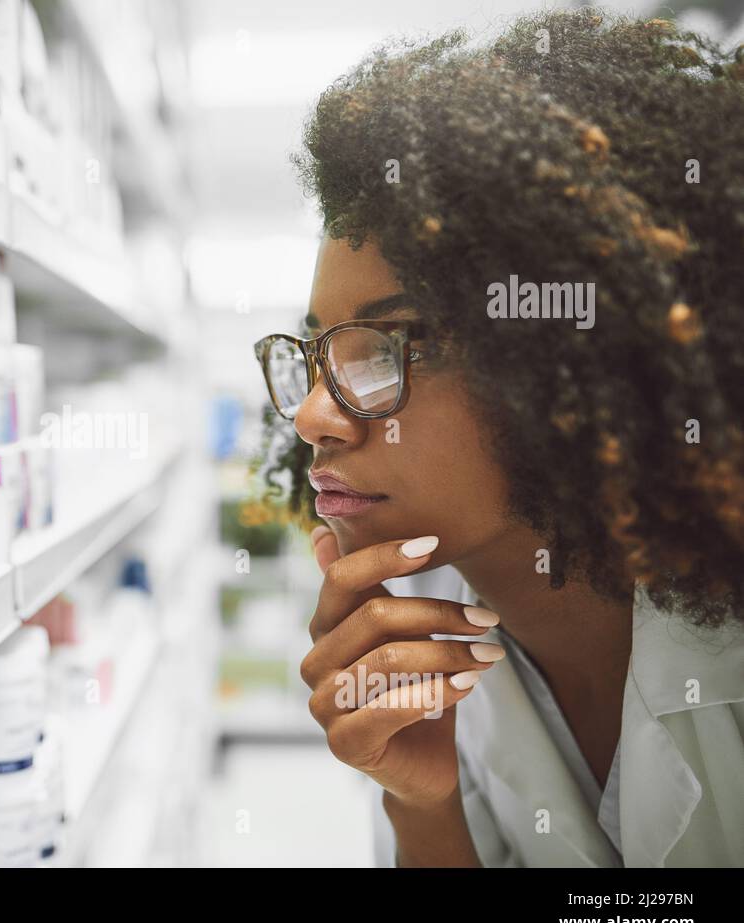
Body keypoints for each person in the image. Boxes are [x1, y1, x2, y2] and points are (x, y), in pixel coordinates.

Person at [254, 9, 744, 866]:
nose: (309, 417)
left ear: (557, 356)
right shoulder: (412, 643)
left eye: (383, 347)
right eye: (318, 354)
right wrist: (418, 801)